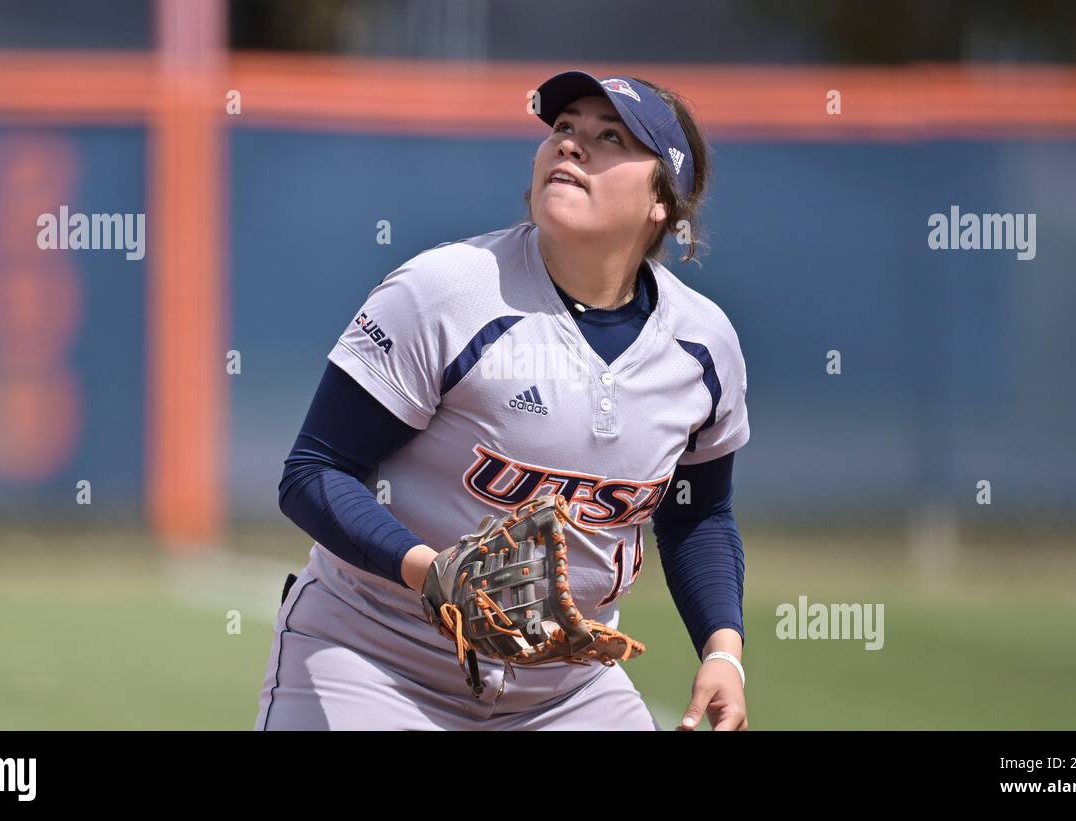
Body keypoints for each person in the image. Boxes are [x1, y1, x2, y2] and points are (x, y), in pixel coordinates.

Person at [254, 71, 750, 731]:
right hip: (374, 657)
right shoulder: (449, 290)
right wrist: (435, 573)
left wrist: (724, 651)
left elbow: (698, 515)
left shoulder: (702, 347)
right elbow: (313, 471)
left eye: (609, 137)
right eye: (564, 129)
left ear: (664, 199)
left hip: (565, 690)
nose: (571, 146)